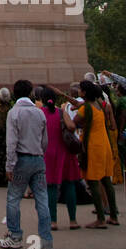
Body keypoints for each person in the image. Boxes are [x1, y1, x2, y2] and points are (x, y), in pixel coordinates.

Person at [0, 80, 52, 249]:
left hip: (21, 160)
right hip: (38, 160)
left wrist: (9, 166)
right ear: (31, 94)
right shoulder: (40, 113)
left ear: (14, 93)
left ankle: (15, 237)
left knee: (13, 199)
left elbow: (11, 143)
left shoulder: (14, 113)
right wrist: (38, 154)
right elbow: (45, 141)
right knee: (42, 200)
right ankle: (46, 242)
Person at [74, 80, 119, 228]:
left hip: (93, 146)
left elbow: (74, 122)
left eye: (80, 89)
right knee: (106, 181)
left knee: (93, 182)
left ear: (84, 93)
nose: (79, 91)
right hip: (105, 144)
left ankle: (100, 218)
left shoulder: (85, 108)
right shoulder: (101, 105)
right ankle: (113, 216)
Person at [42, 87, 80, 230]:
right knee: (69, 185)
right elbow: (71, 126)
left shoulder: (40, 113)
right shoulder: (60, 112)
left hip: (49, 153)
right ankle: (73, 221)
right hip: (65, 153)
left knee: (51, 186)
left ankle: (53, 221)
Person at [113, 83, 126, 172]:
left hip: (124, 131)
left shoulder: (121, 101)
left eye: (117, 89)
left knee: (124, 152)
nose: (115, 91)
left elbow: (123, 115)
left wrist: (120, 131)